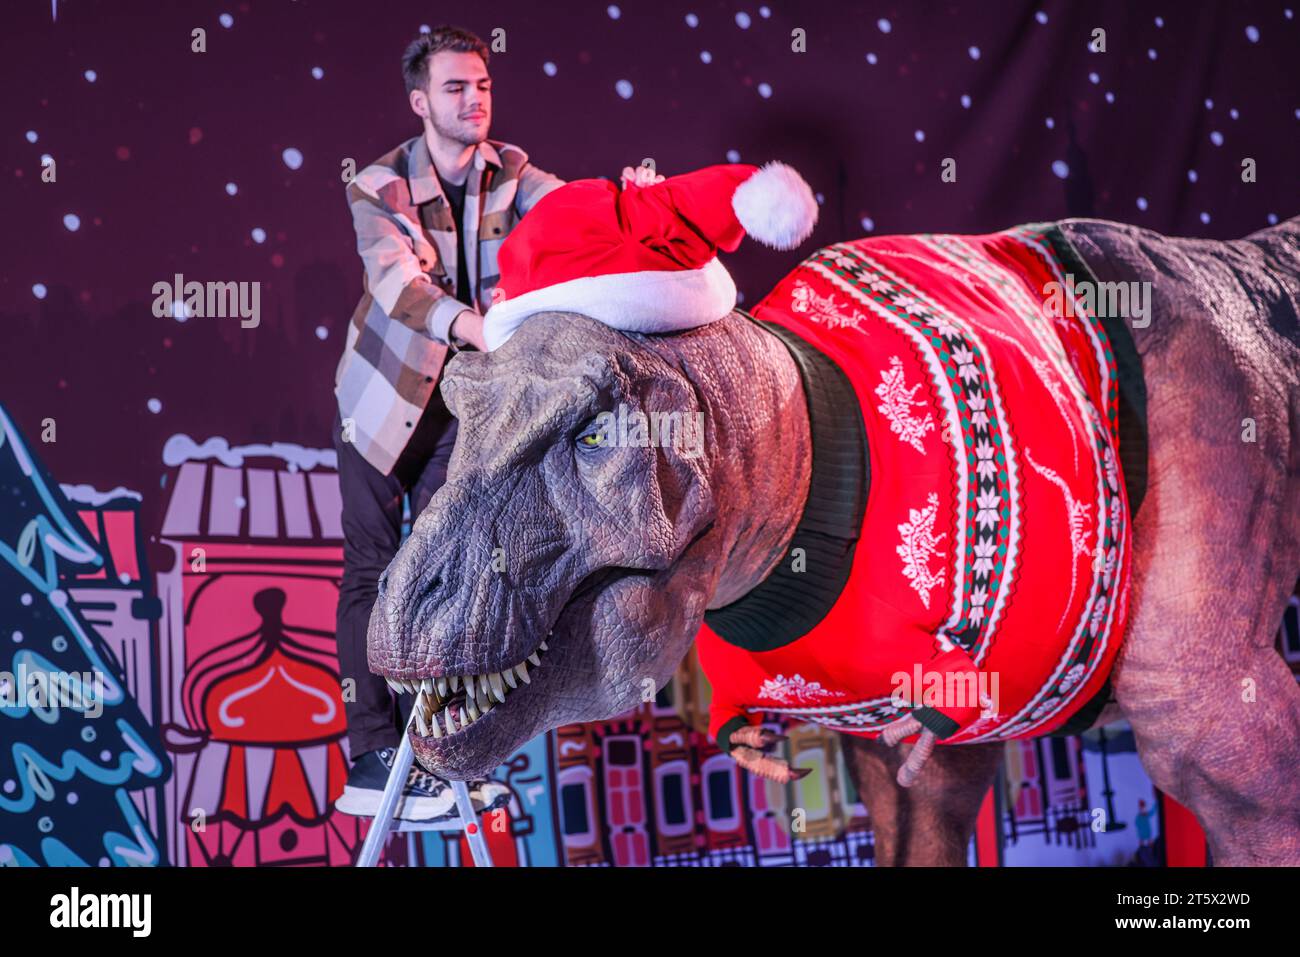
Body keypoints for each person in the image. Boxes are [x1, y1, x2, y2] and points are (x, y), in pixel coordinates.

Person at [331, 25, 662, 821]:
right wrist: (479, 328)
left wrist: (632, 197)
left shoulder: (512, 171)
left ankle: (442, 746)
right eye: (454, 88)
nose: (473, 99)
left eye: (481, 85)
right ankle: (375, 754)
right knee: (374, 569)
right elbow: (399, 288)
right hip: (383, 404)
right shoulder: (379, 185)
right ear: (420, 102)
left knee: (459, 570)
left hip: (471, 406)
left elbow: (578, 209)